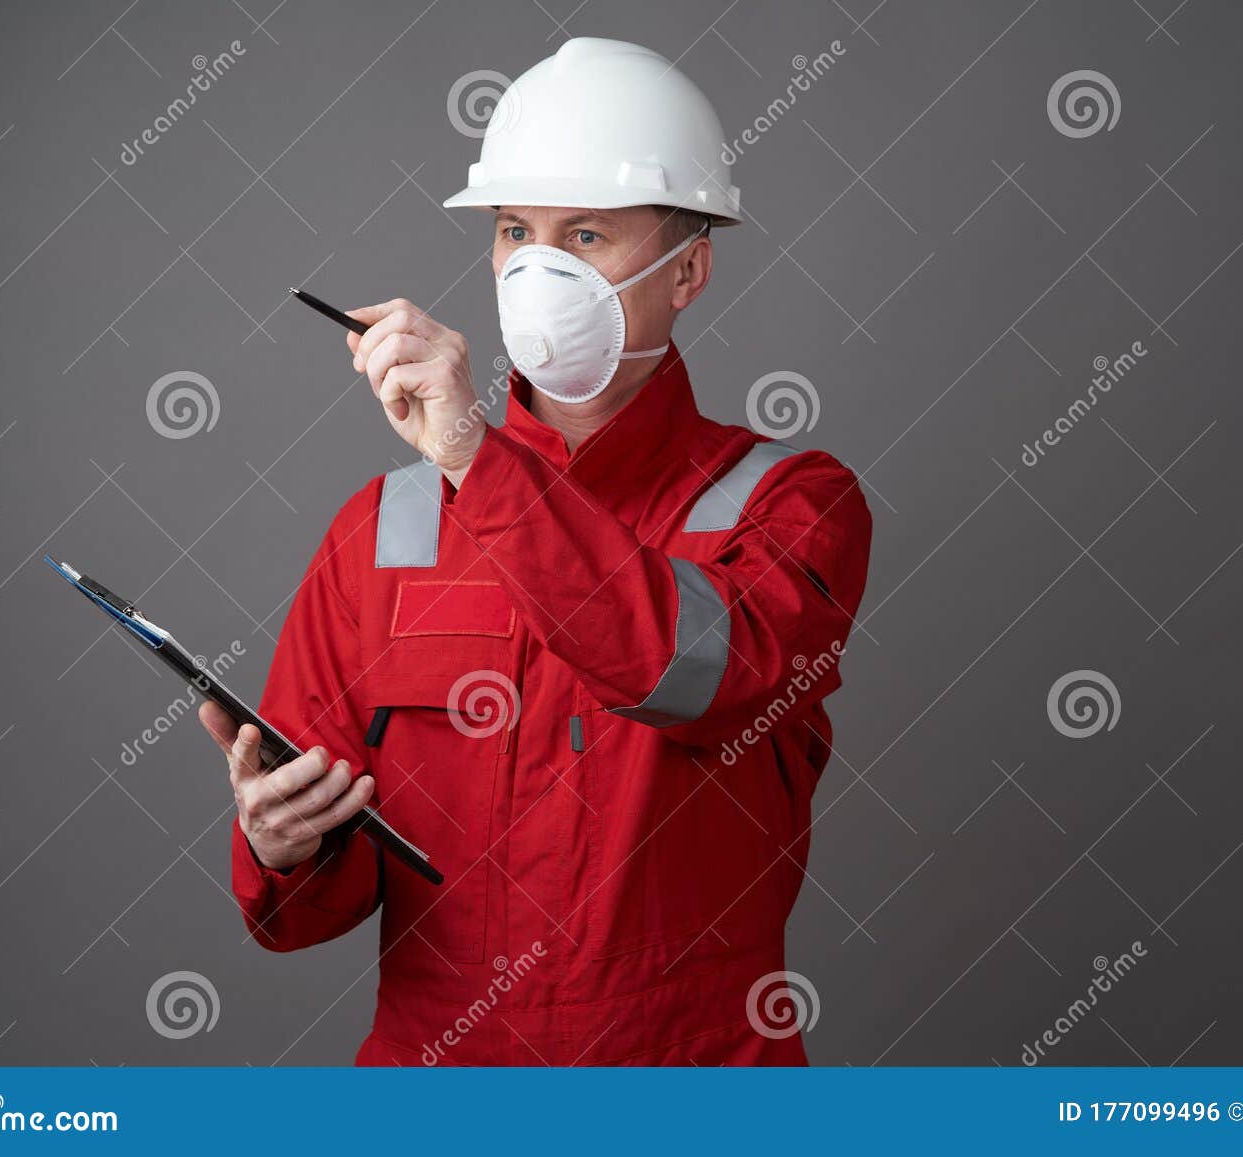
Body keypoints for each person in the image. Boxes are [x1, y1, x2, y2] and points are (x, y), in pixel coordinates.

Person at [198, 36, 873, 1065]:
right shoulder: (380, 533)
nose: (541, 265)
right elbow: (304, 913)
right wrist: (284, 843)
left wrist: (476, 456)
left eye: (589, 232)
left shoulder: (790, 502)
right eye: (516, 229)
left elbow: (686, 670)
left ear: (687, 268)